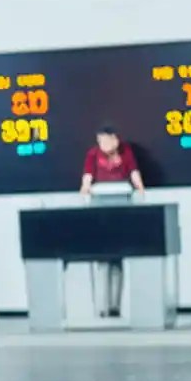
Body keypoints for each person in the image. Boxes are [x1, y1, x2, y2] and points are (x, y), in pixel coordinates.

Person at [79, 125, 145, 318]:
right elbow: (87, 177)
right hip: (100, 208)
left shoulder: (126, 151)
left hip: (121, 205)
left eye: (109, 140)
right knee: (102, 261)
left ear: (116, 139)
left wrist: (140, 188)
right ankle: (102, 307)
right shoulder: (93, 154)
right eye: (102, 141)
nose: (106, 144)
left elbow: (134, 172)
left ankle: (115, 306)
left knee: (117, 260)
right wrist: (84, 189)